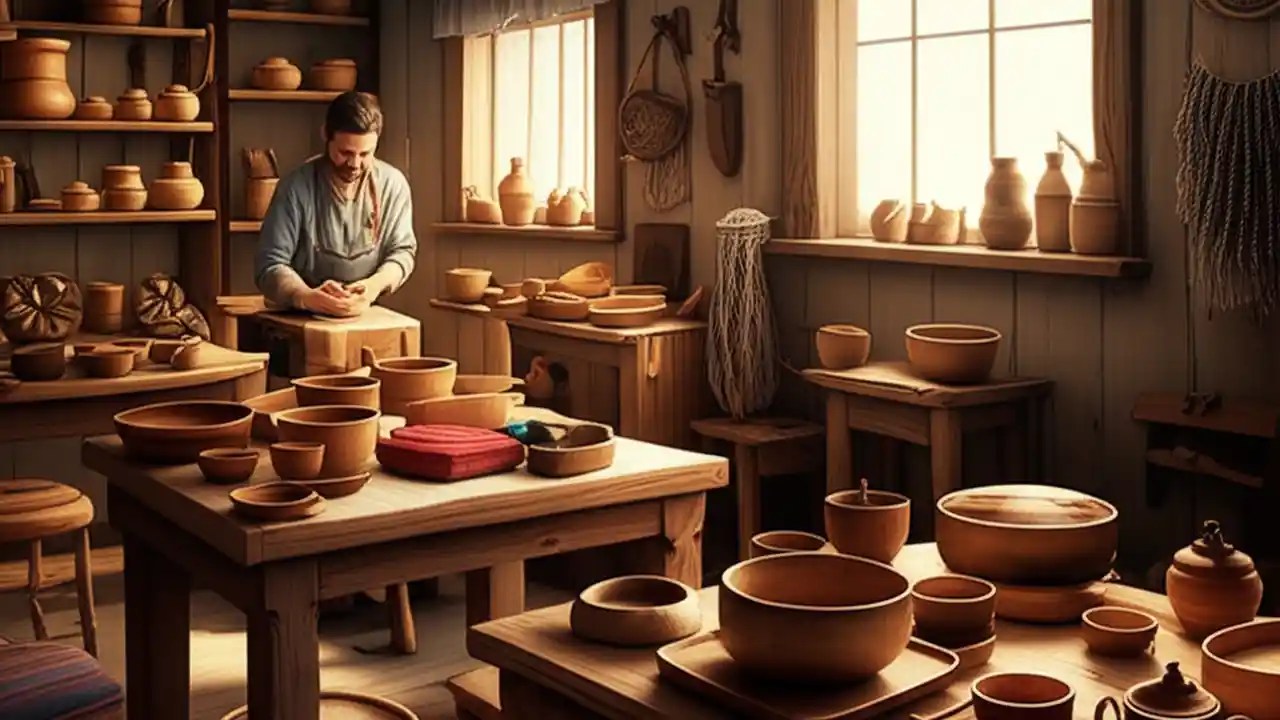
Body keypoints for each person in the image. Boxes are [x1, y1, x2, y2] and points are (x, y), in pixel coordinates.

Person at [254, 91, 416, 317]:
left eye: (365, 153)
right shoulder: (295, 187)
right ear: (325, 135)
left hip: (364, 311)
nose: (355, 164)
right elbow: (269, 264)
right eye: (345, 153)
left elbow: (402, 253)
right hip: (299, 314)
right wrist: (305, 296)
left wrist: (372, 287)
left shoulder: (393, 185)